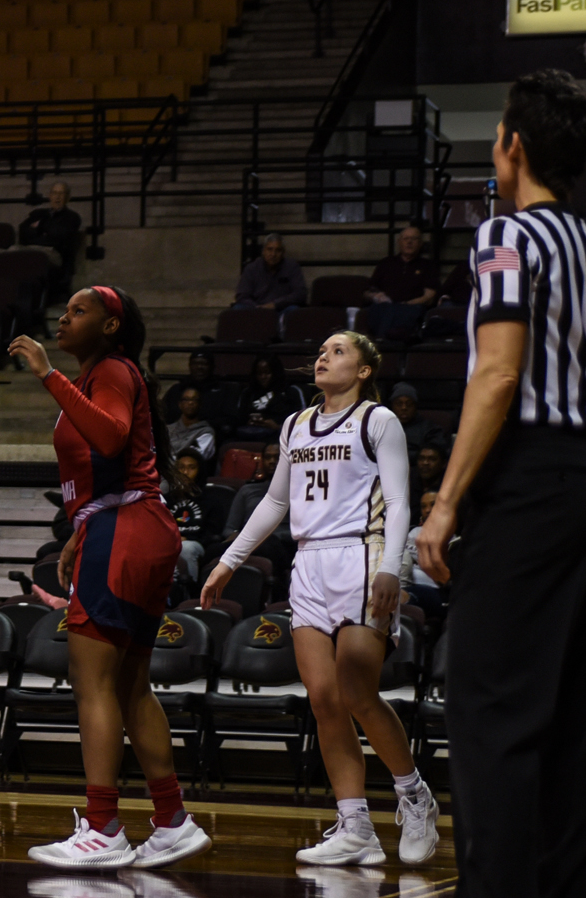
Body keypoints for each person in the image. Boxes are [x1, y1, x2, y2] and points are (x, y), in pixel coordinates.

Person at [417, 69, 586, 898]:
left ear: (513, 148)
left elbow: (497, 372)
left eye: (497, 132)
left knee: (490, 712)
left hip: (527, 478)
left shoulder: (503, 237)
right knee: (574, 719)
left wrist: (448, 502)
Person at [203, 330, 439, 867]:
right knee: (324, 700)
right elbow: (274, 502)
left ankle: (413, 794)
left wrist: (391, 567)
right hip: (308, 562)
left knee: (358, 691)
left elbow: (399, 500)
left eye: (337, 351)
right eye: (321, 351)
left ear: (363, 370)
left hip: (361, 553)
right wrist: (228, 561)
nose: (322, 357)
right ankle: (355, 826)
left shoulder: (377, 420)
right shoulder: (295, 424)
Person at [9, 286, 211, 870]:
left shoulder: (112, 370)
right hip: (132, 525)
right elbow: (117, 467)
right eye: (64, 309)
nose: (64, 317)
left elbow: (112, 437)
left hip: (125, 531)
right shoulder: (104, 375)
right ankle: (172, 821)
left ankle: (102, 828)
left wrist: (48, 375)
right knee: (129, 685)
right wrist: (81, 531)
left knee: (91, 680)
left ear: (111, 324)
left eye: (79, 311)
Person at [218, 442, 294, 588]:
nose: (272, 461)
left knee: (269, 543)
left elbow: (300, 529)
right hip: (249, 540)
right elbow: (229, 528)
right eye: (268, 457)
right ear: (262, 461)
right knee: (212, 551)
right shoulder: (247, 490)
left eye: (277, 457)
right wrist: (238, 535)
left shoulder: (297, 490)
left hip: (280, 544)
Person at [363, 224, 442, 342]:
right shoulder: (386, 263)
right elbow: (367, 292)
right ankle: (385, 340)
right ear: (399, 242)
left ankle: (382, 342)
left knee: (401, 313)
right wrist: (376, 296)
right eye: (406, 239)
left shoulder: (428, 266)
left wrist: (406, 304)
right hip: (385, 306)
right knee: (379, 310)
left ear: (420, 243)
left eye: (414, 239)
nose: (409, 242)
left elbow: (429, 297)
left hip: (412, 307)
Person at [18, 181, 85, 302]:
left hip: (53, 253)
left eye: (61, 193)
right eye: (54, 193)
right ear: (50, 196)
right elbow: (23, 232)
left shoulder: (72, 217)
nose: (57, 197)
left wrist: (37, 230)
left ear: (67, 197)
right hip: (32, 248)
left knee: (30, 256)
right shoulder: (39, 214)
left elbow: (58, 238)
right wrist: (43, 233)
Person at [163, 448, 214, 581]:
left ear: (199, 471)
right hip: (169, 541)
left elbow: (212, 534)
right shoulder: (167, 499)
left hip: (195, 543)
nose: (185, 472)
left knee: (186, 548)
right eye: (181, 468)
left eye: (191, 468)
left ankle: (189, 588)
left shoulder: (210, 500)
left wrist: (188, 538)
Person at [234, 355, 306, 441]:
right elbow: (238, 417)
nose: (263, 377)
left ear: (276, 373)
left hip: (279, 437)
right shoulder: (248, 393)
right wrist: (248, 421)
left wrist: (277, 427)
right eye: (259, 373)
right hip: (249, 435)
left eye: (267, 373)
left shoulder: (291, 391)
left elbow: (301, 421)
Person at [232, 233, 307, 311]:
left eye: (278, 250)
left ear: (283, 253)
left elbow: (300, 294)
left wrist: (275, 304)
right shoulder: (251, 268)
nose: (273, 254)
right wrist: (257, 307)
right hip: (256, 308)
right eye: (269, 249)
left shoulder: (292, 267)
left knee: (293, 310)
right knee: (238, 308)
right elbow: (242, 296)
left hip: (282, 308)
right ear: (263, 251)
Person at [165, 387, 216, 467]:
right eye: (186, 399)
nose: (190, 403)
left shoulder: (206, 432)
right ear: (180, 404)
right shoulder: (168, 429)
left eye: (194, 400)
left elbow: (194, 458)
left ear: (200, 404)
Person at [385, 383, 441, 450]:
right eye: (399, 404)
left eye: (409, 404)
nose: (404, 408)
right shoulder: (383, 427)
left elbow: (436, 449)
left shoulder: (429, 429)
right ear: (392, 406)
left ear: (415, 406)